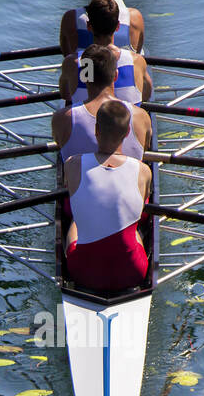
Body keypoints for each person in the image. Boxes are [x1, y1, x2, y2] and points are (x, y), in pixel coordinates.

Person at [63, 98, 151, 293]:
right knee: (133, 223)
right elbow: (141, 211)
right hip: (133, 272)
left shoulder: (72, 164)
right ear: (127, 132)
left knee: (75, 221)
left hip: (83, 272)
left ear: (96, 130)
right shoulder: (144, 171)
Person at [51, 44, 152, 161]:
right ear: (116, 75)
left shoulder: (62, 118)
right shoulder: (141, 117)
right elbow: (144, 149)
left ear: (84, 77)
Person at [59, 0, 151, 106]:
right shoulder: (137, 61)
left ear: (89, 26)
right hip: (125, 121)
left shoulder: (73, 63)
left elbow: (65, 94)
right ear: (118, 26)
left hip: (87, 120)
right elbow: (146, 94)